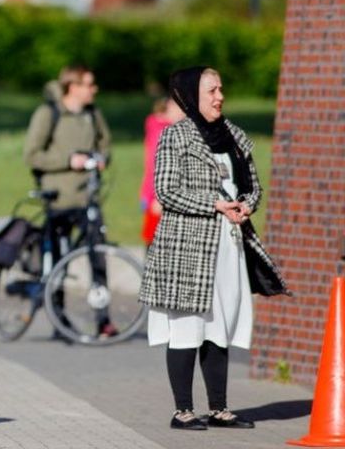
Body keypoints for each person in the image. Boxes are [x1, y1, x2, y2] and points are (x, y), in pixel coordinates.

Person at [139, 66, 288, 431]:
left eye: (221, 88)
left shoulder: (235, 136)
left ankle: (219, 409)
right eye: (211, 91)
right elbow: (166, 190)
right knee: (187, 328)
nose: (220, 96)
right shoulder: (176, 137)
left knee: (219, 327)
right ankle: (183, 411)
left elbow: (253, 186)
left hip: (228, 246)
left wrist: (247, 204)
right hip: (188, 248)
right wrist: (215, 204)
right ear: (191, 95)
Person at [22, 65, 115, 337]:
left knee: (98, 259)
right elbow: (32, 155)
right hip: (59, 199)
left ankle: (103, 319)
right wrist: (68, 161)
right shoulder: (48, 114)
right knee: (58, 262)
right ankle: (58, 319)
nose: (94, 89)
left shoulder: (92, 114)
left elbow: (105, 143)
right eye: (89, 84)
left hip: (88, 198)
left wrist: (100, 159)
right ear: (72, 87)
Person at [140, 96, 185, 245]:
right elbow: (156, 165)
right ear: (169, 108)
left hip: (153, 194)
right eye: (180, 108)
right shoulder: (163, 132)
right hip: (158, 195)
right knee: (157, 243)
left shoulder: (159, 126)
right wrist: (157, 198)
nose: (184, 113)